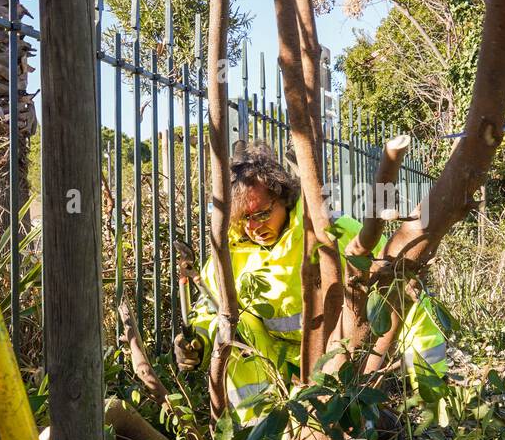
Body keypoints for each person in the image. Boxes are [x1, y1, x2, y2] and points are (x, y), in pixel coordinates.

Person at [174, 141, 449, 420]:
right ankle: (262, 436)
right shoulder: (230, 254)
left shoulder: (331, 233)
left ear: (284, 197)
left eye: (262, 214)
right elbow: (210, 311)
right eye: (244, 218)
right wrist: (197, 341)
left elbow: (399, 300)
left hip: (340, 357)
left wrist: (432, 406)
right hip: (279, 366)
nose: (253, 227)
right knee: (235, 332)